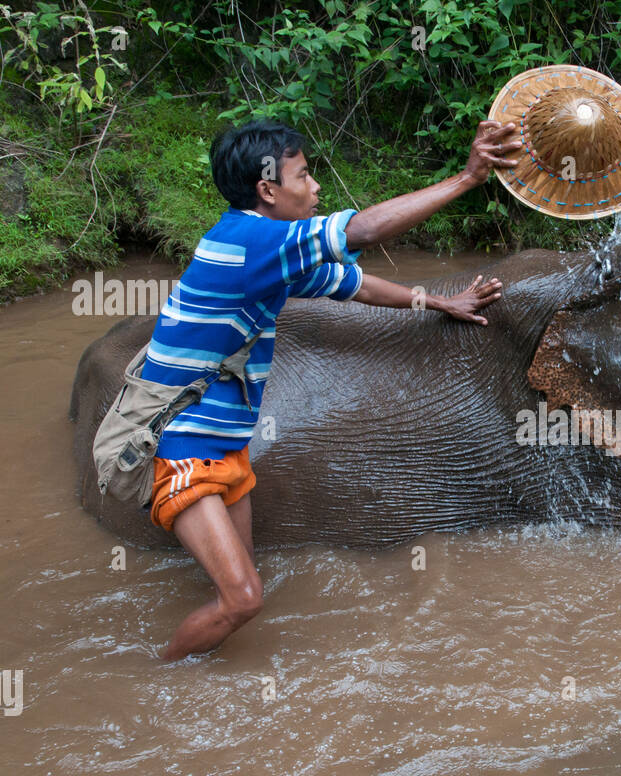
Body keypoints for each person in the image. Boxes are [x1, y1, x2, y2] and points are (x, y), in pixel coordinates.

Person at [141, 117, 520, 661]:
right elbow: (360, 233)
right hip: (185, 446)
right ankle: (153, 680)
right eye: (304, 175)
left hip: (228, 447)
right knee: (244, 599)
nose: (315, 187)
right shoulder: (250, 239)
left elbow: (356, 284)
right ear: (267, 190)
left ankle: (204, 671)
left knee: (245, 588)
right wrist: (466, 180)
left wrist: (440, 302)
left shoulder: (271, 255)